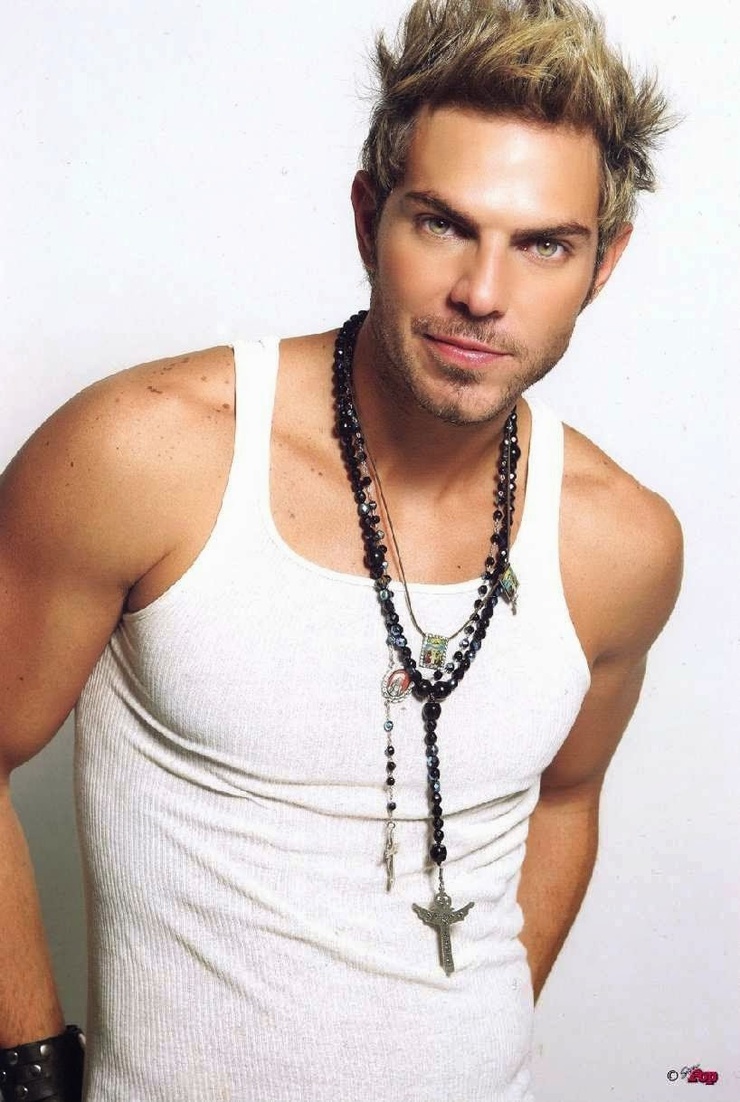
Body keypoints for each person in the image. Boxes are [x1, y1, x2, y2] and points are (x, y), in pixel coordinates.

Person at [0, 0, 683, 1099]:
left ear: (602, 264)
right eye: (442, 224)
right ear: (369, 218)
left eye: (543, 245)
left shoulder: (621, 542)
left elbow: (565, 801)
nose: (483, 294)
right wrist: (27, 1074)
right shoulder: (148, 453)